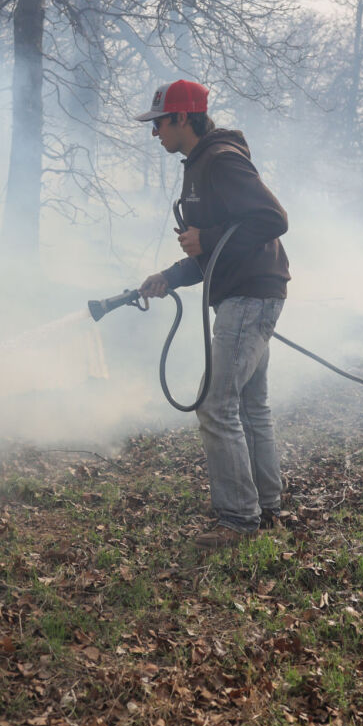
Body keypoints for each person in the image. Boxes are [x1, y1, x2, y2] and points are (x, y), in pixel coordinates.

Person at [134, 80, 290, 550]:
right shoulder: (200, 166)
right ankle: (265, 506)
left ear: (182, 119)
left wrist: (210, 236)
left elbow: (272, 219)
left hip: (249, 297)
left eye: (159, 123)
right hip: (247, 293)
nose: (155, 132)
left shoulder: (221, 161)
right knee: (248, 406)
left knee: (216, 405)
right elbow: (216, 249)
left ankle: (238, 520)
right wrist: (171, 276)